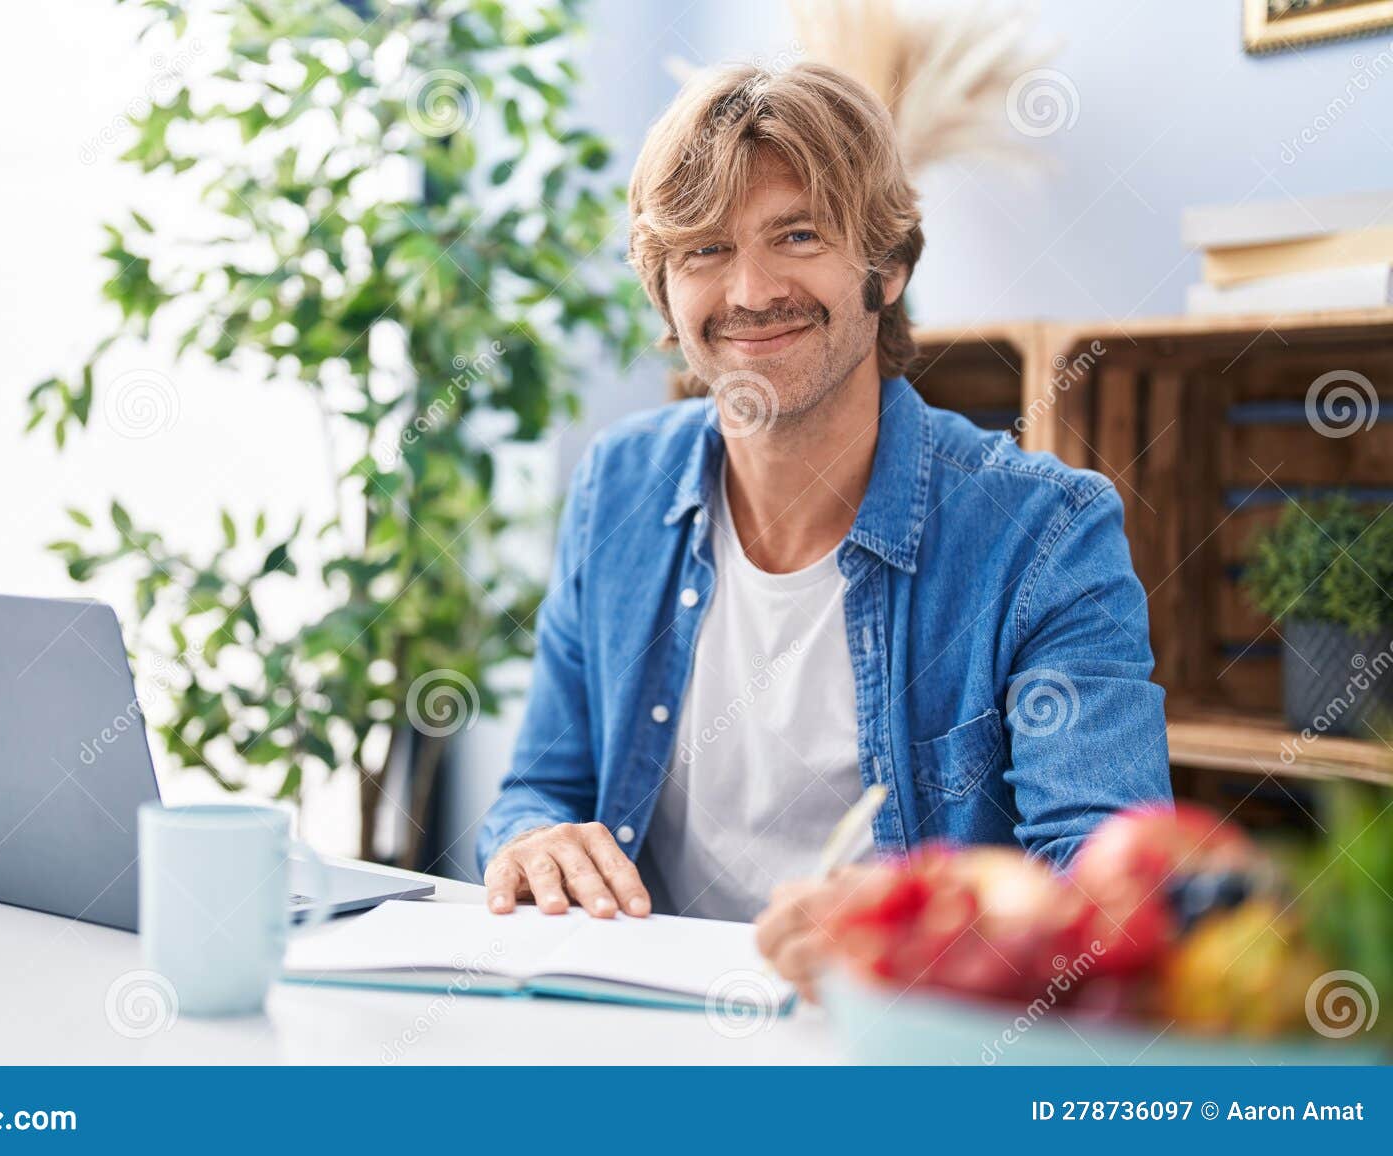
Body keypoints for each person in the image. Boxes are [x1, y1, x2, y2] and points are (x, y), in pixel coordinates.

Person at [474, 62, 1170, 994]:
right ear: (665, 290)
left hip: (906, 1042)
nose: (752, 292)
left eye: (797, 235)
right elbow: (542, 786)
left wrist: (914, 935)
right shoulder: (619, 485)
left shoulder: (1046, 532)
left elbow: (1108, 885)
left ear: (888, 266)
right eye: (704, 251)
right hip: (641, 1027)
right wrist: (531, 840)